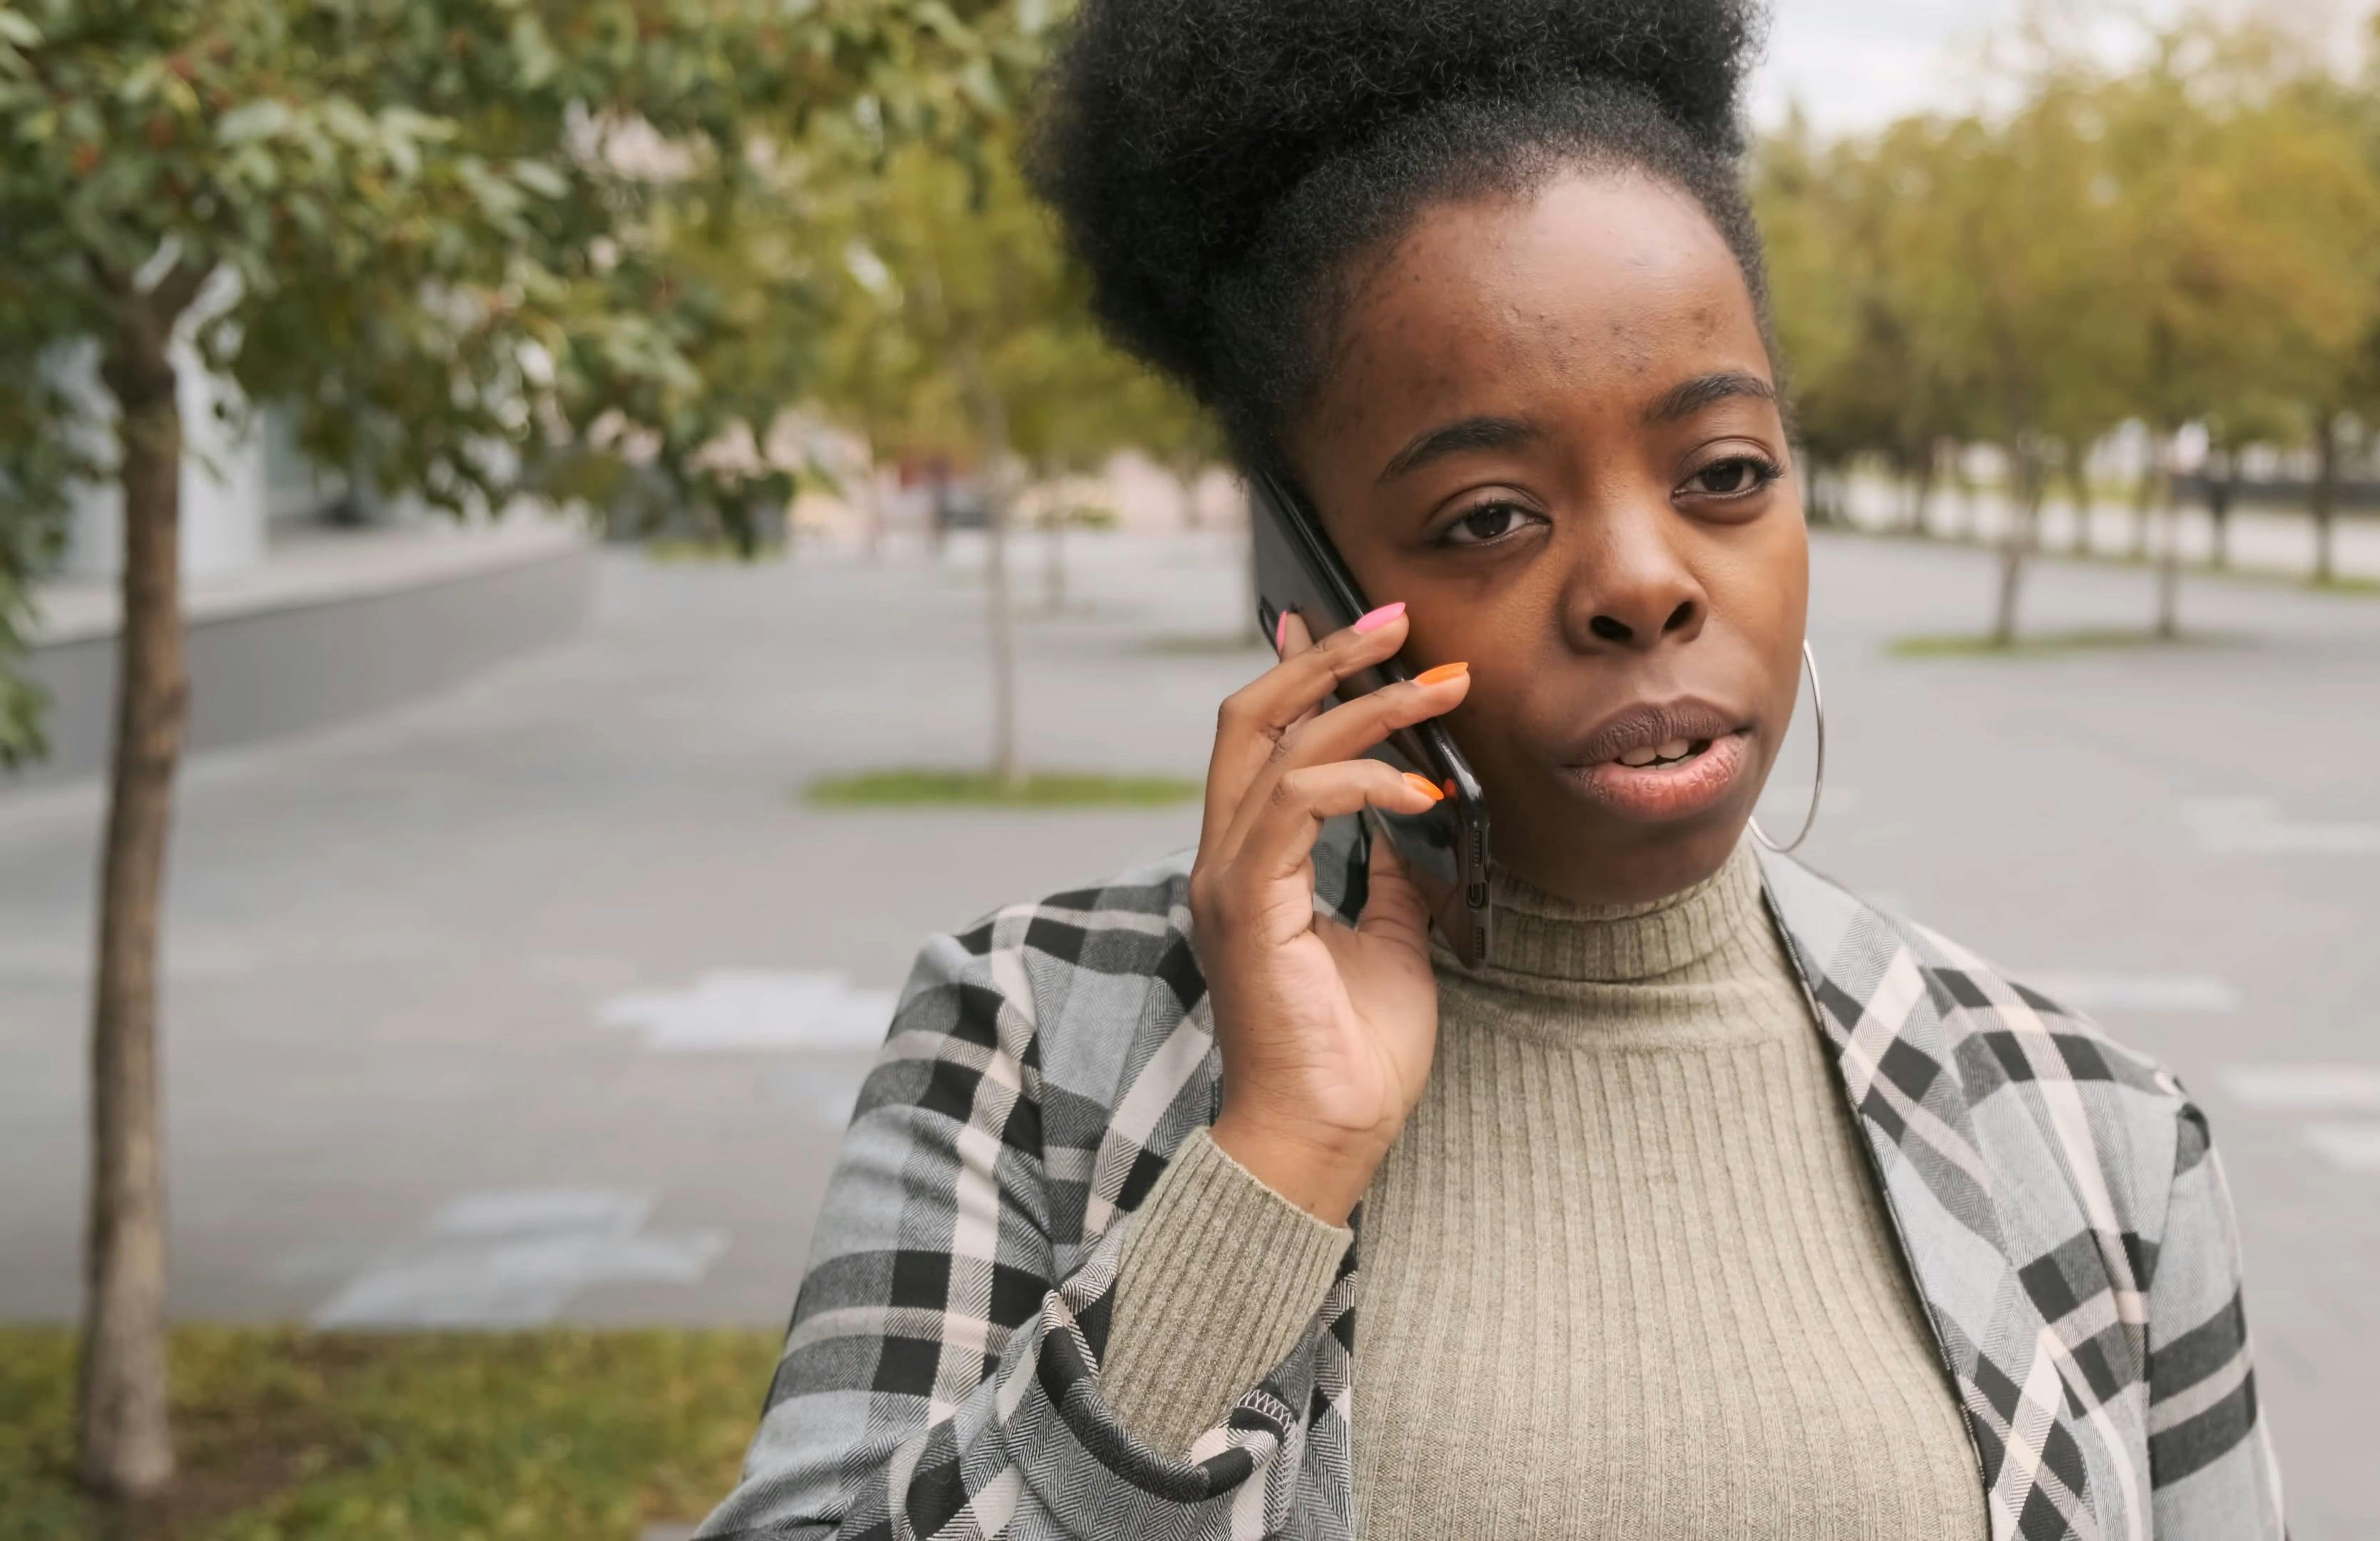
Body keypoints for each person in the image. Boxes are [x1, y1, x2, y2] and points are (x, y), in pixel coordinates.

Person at [697, 1, 2283, 1536]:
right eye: (1490, 516)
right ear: (1307, 595)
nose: (1644, 583)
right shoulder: (1028, 1051)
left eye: (1725, 474)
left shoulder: (2095, 1143)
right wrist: (1268, 1173)